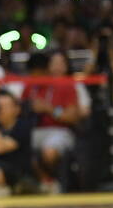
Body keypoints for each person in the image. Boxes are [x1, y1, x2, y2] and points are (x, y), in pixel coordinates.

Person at [23, 51, 88, 193]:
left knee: (49, 152)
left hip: (60, 130)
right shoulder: (33, 85)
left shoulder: (67, 85)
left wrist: (49, 109)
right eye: (53, 64)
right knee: (18, 148)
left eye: (60, 63)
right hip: (34, 130)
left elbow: (73, 117)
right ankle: (46, 182)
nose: (57, 67)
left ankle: (52, 182)